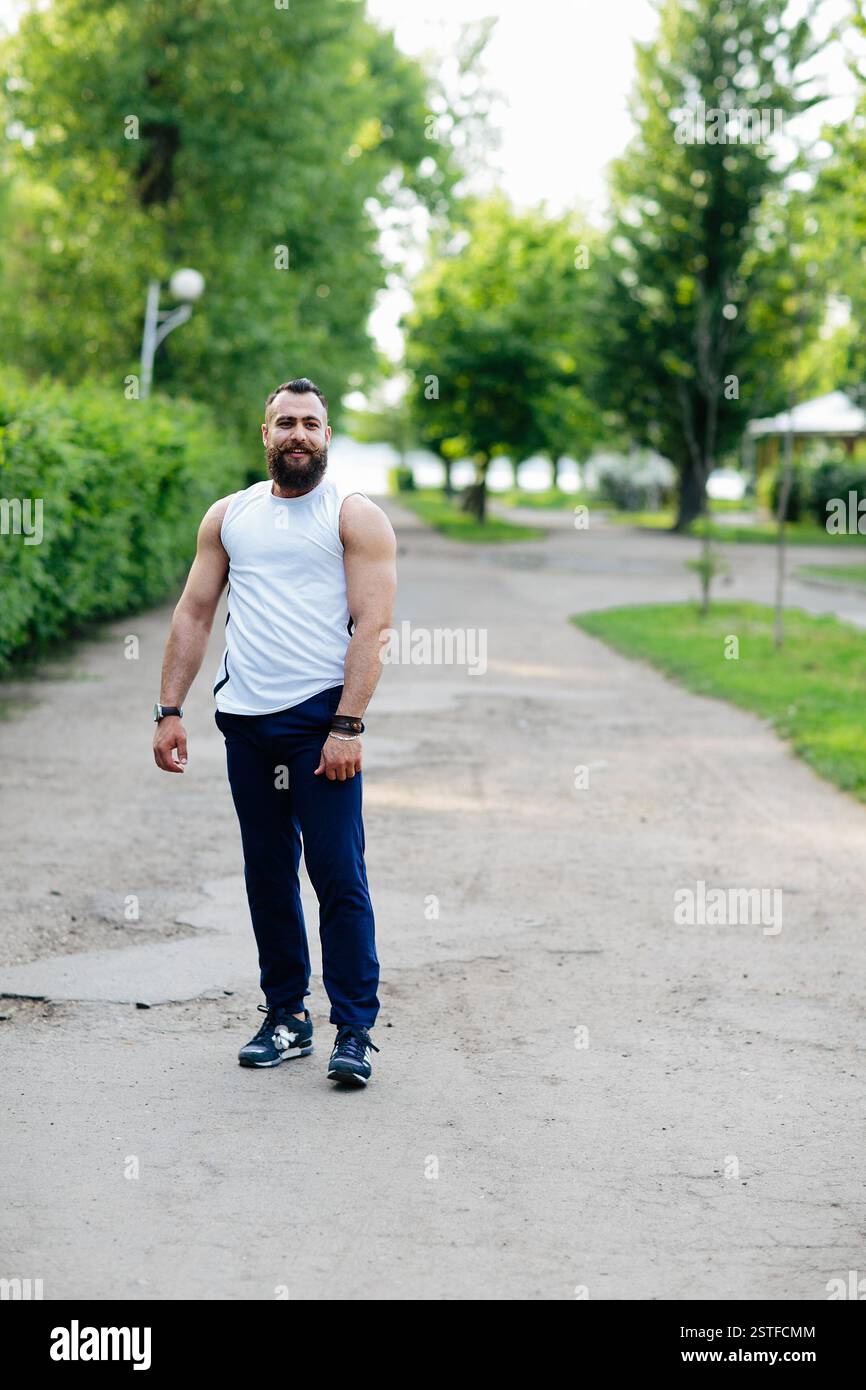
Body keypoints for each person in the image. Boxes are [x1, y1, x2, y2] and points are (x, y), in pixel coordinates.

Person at [153, 378, 397, 1086]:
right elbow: (195, 613)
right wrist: (170, 708)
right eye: (284, 422)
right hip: (247, 725)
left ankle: (353, 1028)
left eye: (311, 424)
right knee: (266, 872)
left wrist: (347, 725)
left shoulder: (354, 517)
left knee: (337, 874)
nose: (297, 434)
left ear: (328, 437)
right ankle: (286, 1016)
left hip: (319, 725)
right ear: (265, 435)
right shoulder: (230, 516)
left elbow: (374, 628)